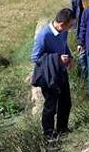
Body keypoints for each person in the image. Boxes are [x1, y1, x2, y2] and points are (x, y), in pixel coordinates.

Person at [31, 8, 75, 142]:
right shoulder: (44, 35)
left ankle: (62, 129)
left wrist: (70, 58)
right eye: (70, 25)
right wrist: (57, 59)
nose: (72, 27)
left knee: (66, 102)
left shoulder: (63, 32)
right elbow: (35, 57)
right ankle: (48, 134)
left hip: (61, 72)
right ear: (62, 24)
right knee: (51, 105)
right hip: (48, 75)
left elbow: (64, 46)